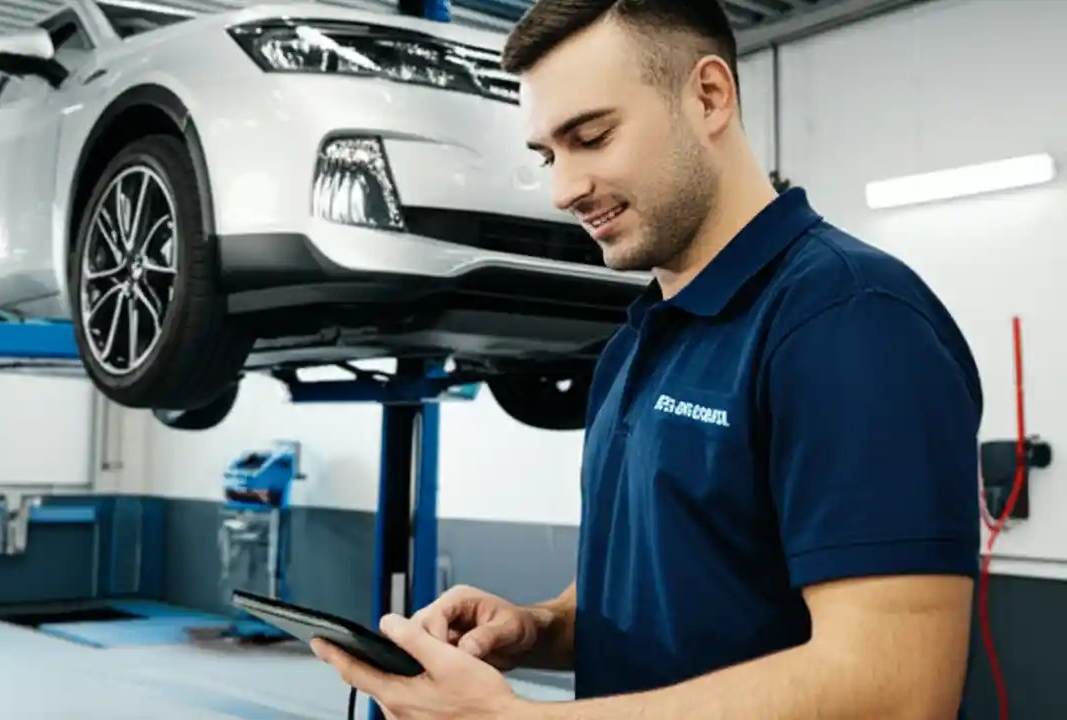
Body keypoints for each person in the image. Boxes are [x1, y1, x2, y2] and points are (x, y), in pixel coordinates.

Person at [310, 0, 983, 716]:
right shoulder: (633, 346)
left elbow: (896, 689)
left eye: (592, 137)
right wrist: (539, 626)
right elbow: (664, 597)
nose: (563, 189)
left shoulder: (847, 318)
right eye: (548, 155)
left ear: (709, 96)